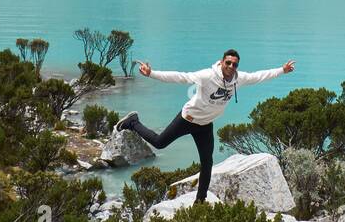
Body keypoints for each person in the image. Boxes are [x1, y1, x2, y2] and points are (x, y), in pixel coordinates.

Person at [116, 49, 294, 203]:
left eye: (235, 65)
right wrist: (151, 73)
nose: (231, 67)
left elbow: (259, 76)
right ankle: (133, 122)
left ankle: (200, 201)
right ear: (221, 62)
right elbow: (180, 77)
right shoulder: (207, 76)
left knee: (207, 162)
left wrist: (282, 70)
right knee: (160, 142)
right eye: (228, 63)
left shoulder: (239, 79)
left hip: (205, 125)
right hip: (188, 119)